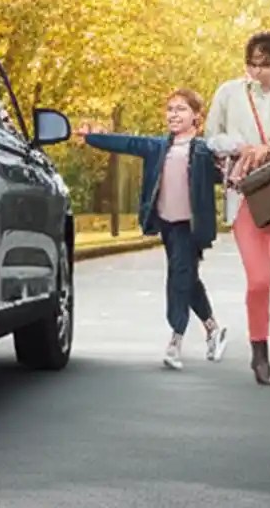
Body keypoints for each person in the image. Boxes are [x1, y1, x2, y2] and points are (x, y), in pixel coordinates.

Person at [76, 88, 230, 370]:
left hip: (191, 227)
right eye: (170, 109)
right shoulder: (157, 147)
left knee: (178, 277)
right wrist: (91, 137)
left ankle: (176, 340)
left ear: (197, 116)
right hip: (167, 225)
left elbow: (231, 175)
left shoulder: (205, 151)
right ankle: (213, 330)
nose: (174, 114)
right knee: (188, 279)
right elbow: (125, 143)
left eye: (181, 109)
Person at [204, 31, 270, 385]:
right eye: (251, 65)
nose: (256, 73)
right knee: (259, 279)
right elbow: (211, 137)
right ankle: (258, 349)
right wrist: (241, 145)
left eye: (264, 66)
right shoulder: (230, 93)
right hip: (246, 196)